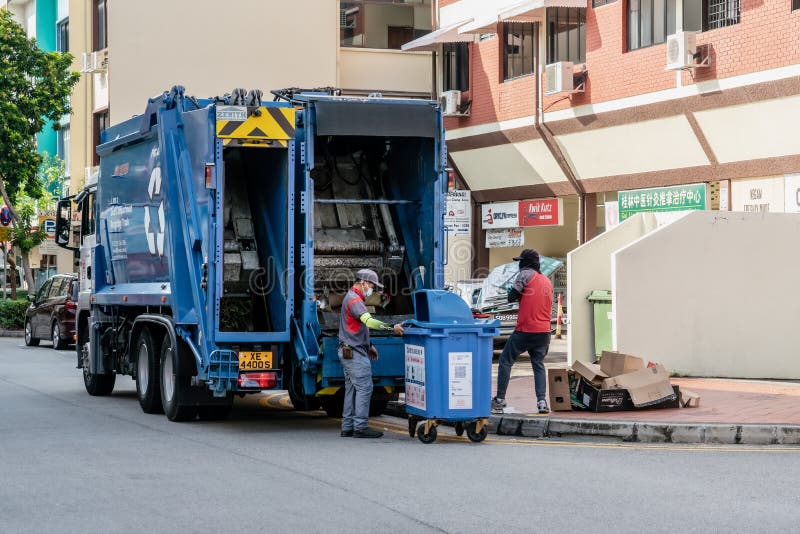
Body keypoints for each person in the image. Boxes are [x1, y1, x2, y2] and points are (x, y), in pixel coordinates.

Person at [339, 269, 405, 438]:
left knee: (352, 389)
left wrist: (369, 345)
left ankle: (347, 426)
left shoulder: (353, 298)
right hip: (354, 353)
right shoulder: (354, 301)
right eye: (372, 285)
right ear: (362, 282)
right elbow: (369, 322)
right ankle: (360, 427)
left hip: (351, 349)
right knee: (365, 387)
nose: (372, 290)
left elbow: (356, 328)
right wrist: (392, 328)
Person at [492, 249, 553, 415]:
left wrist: (509, 292)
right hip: (544, 332)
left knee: (505, 360)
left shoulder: (525, 274)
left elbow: (511, 297)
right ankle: (541, 402)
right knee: (538, 365)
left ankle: (499, 400)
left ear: (526, 263)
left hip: (526, 329)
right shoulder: (546, 280)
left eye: (521, 261)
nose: (519, 264)